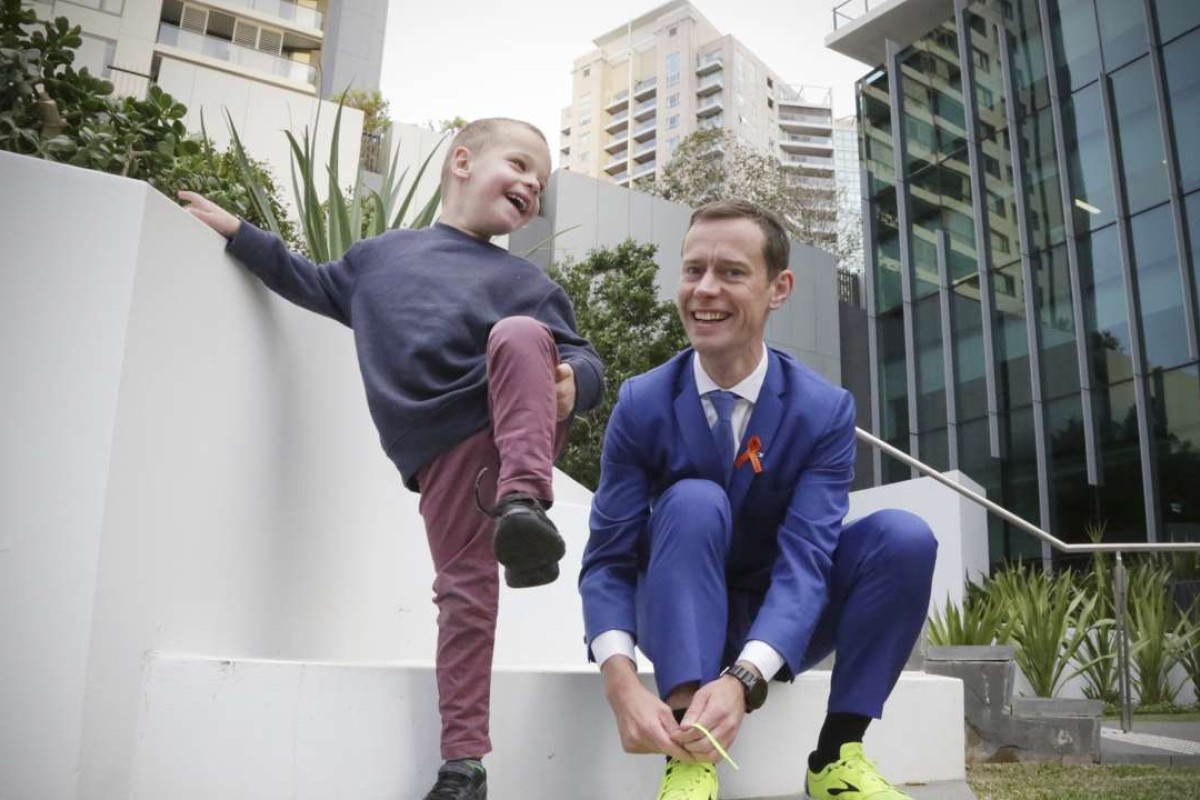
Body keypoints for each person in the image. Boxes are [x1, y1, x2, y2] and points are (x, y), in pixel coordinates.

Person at [180, 118, 604, 800]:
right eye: (521, 165)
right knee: (463, 597)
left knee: (523, 333)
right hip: (442, 462)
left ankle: (526, 508)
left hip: (509, 433)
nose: (532, 186)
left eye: (542, 184)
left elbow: (584, 357)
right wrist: (239, 232)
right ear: (462, 161)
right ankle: (463, 766)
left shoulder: (525, 282)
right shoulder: (379, 257)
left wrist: (572, 382)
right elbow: (308, 282)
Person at [579, 200, 936, 800]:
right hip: (676, 605)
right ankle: (690, 760)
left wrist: (746, 678)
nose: (705, 290)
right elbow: (608, 560)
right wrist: (619, 680)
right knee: (692, 500)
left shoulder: (824, 410)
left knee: (903, 537)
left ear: (779, 288)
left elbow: (807, 560)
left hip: (776, 618)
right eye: (693, 270)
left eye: (732, 272)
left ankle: (836, 758)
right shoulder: (641, 402)